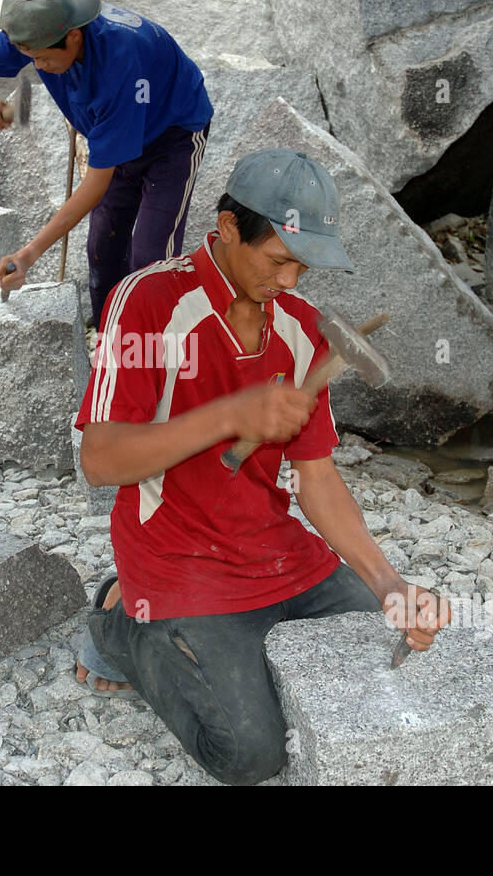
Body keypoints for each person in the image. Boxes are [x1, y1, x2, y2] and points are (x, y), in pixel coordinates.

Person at [73, 149, 452, 785]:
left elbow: (317, 478)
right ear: (225, 229)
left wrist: (390, 584)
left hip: (278, 554)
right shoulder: (148, 305)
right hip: (179, 561)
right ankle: (121, 625)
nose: (293, 281)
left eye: (304, 264)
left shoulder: (303, 331)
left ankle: (185, 632)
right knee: (253, 757)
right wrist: (230, 415)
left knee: (370, 672)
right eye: (279, 260)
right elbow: (99, 459)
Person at [0, 0, 213, 329]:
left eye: (43, 58)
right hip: (114, 132)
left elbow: (96, 184)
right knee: (104, 246)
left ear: (74, 36)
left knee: (151, 260)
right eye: (31, 58)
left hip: (173, 133)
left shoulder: (119, 64)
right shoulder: (38, 29)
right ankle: (108, 337)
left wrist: (29, 254)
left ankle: (152, 348)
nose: (38, 67)